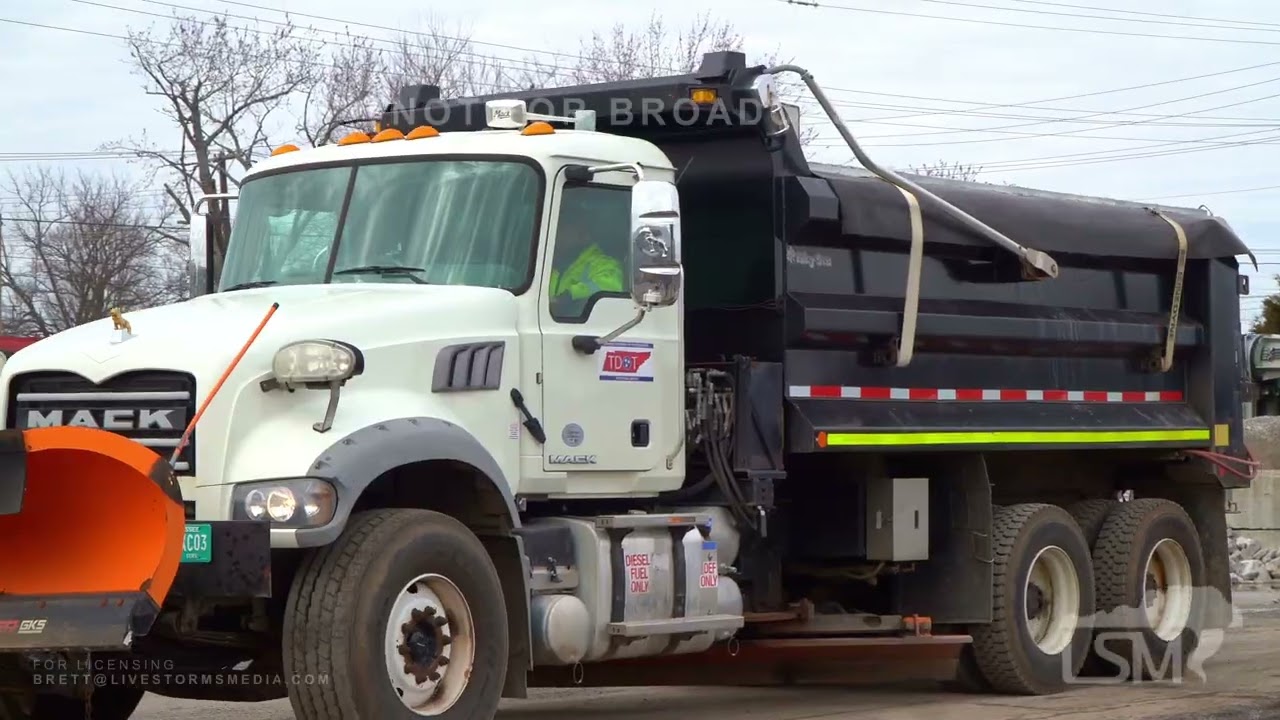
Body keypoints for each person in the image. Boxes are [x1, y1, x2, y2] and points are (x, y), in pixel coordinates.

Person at [549, 214, 624, 316]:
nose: (558, 236)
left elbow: (612, 287)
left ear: (584, 235)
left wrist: (570, 295)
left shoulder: (604, 263)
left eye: (564, 229)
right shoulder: (550, 264)